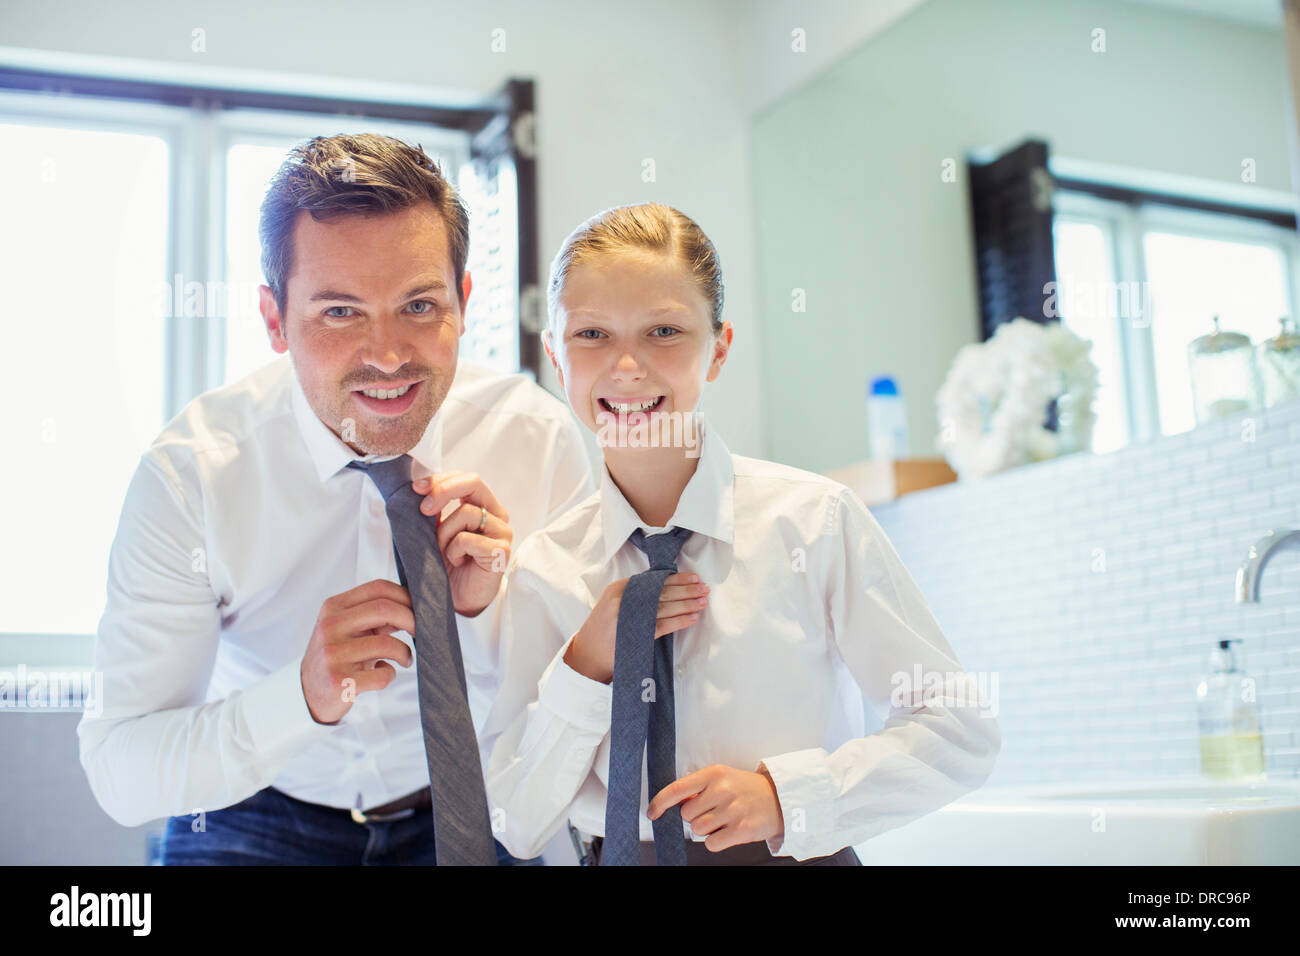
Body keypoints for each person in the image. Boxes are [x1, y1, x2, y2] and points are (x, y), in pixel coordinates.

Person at [77, 133, 594, 865]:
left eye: (419, 305)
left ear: (465, 301)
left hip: (477, 802)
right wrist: (303, 695)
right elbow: (119, 769)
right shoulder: (191, 475)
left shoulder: (536, 443)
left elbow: (577, 714)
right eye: (340, 313)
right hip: (254, 808)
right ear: (272, 319)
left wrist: (485, 618)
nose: (387, 355)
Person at [482, 202, 1001, 865]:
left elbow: (960, 727)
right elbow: (515, 821)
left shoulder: (816, 522)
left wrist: (789, 799)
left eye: (664, 330)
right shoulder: (543, 570)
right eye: (591, 335)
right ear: (555, 354)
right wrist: (586, 664)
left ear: (718, 349)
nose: (627, 366)